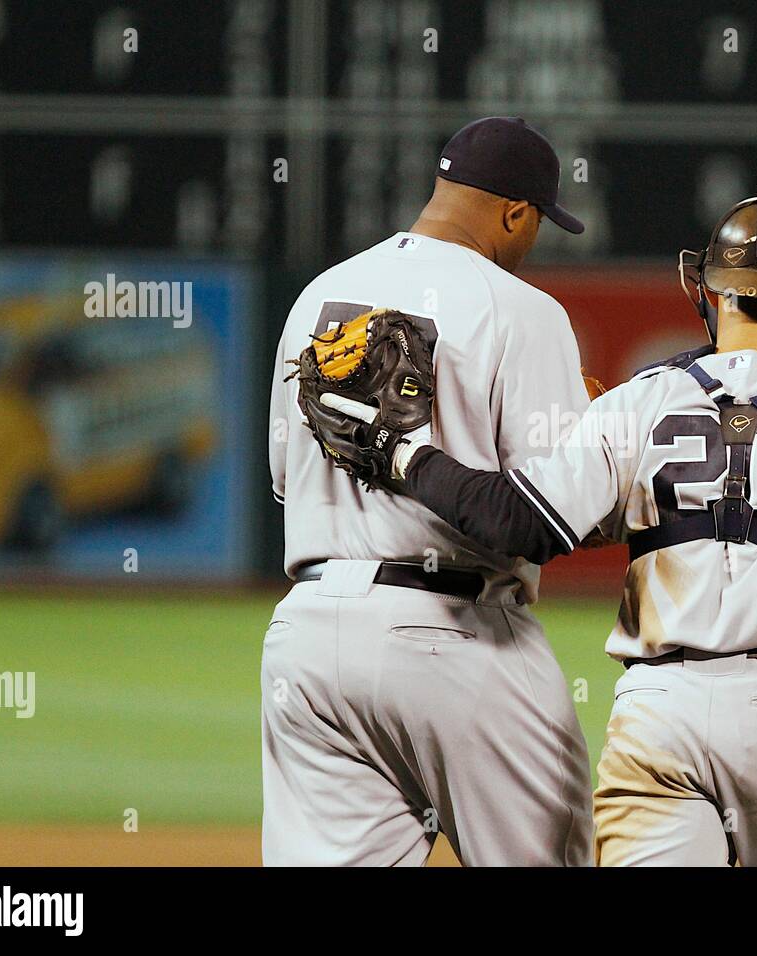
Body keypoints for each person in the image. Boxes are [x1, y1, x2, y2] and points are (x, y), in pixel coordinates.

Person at [371, 189, 757, 865]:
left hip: (657, 713)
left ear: (708, 290)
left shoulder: (638, 401)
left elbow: (515, 521)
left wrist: (405, 455)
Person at [263, 116, 595, 866]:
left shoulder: (320, 293)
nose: (533, 239)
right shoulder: (522, 308)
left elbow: (287, 483)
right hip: (459, 634)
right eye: (538, 222)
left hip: (310, 636)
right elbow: (555, 510)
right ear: (516, 212)